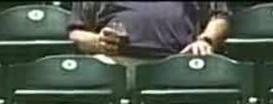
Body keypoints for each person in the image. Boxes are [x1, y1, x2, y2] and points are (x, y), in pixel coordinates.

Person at [67, 1, 230, 61]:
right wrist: (99, 42)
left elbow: (220, 16)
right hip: (117, 61)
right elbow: (76, 32)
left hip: (178, 60)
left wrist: (206, 40)